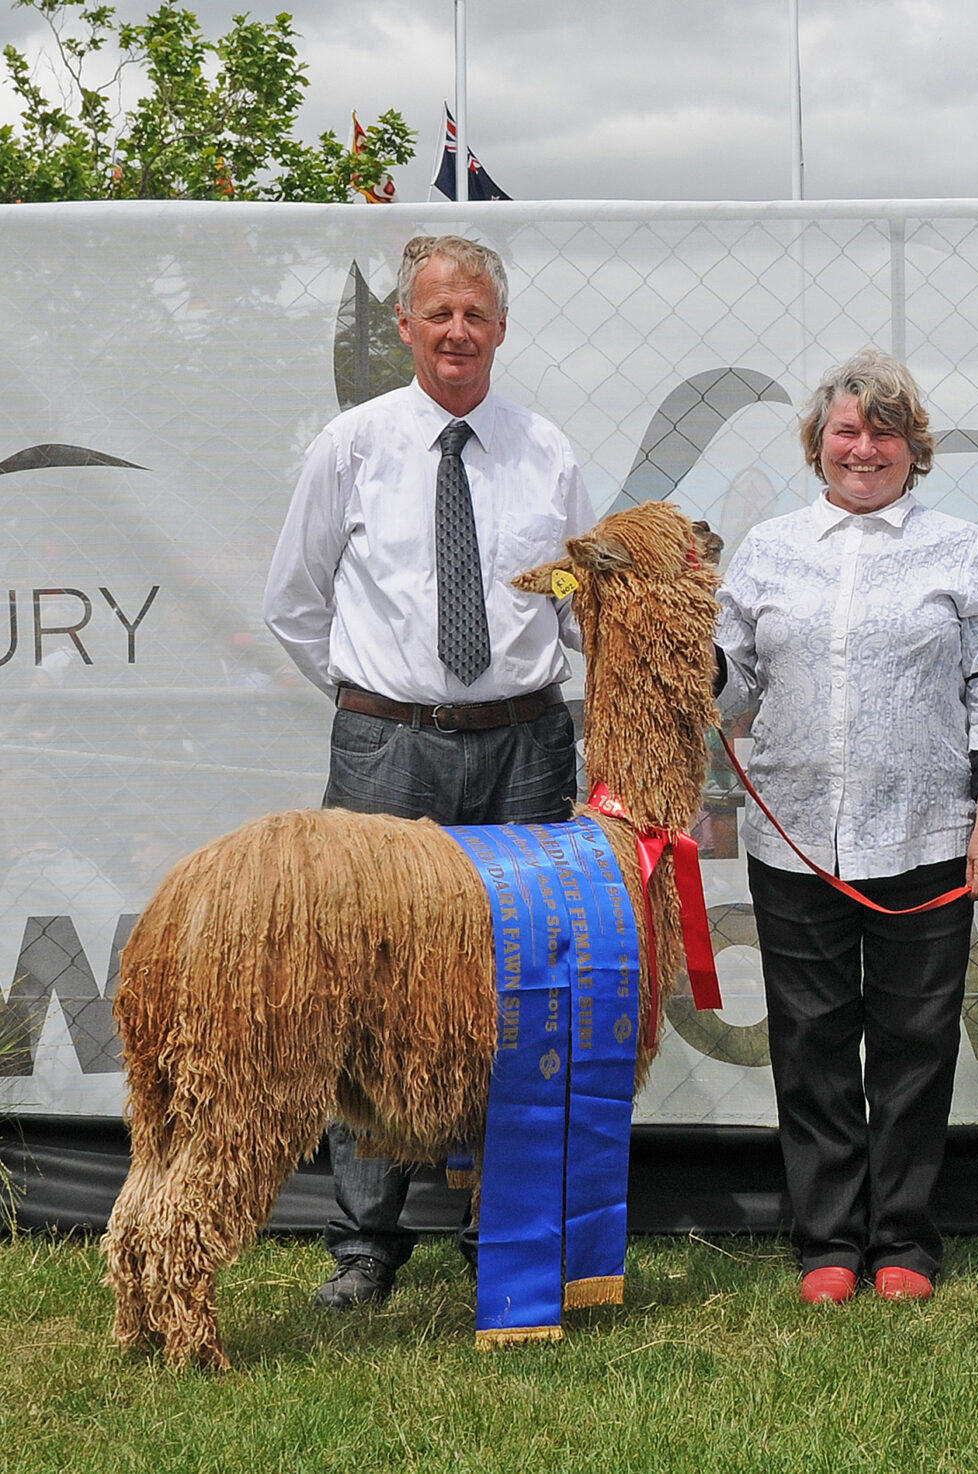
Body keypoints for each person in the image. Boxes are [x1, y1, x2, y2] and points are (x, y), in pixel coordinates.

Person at [263, 234, 595, 1311]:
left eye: (477, 314)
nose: (458, 331)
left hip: (526, 748)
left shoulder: (547, 451)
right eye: (438, 313)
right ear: (405, 326)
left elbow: (582, 608)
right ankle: (364, 1244)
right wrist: (379, 704)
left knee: (520, 984)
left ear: (502, 328)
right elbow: (293, 606)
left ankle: (508, 1233)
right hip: (386, 747)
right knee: (366, 984)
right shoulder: (351, 445)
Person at [714, 349, 978, 1305]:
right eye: (846, 430)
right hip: (795, 835)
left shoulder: (961, 549)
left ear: (914, 449)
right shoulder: (765, 549)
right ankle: (825, 1246)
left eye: (885, 431)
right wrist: (677, 643)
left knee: (915, 1045)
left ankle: (903, 1241)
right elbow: (732, 687)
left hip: (928, 834)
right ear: (818, 446)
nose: (865, 447)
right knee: (808, 1044)